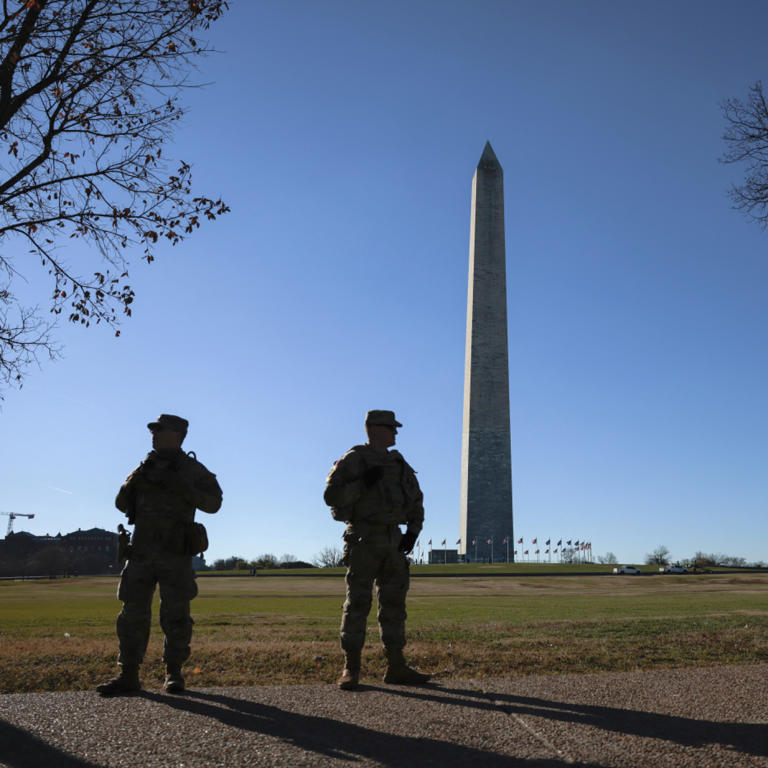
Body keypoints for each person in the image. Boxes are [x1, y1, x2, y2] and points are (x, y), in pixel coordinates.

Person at [97, 414, 222, 696]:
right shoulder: (144, 467)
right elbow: (120, 503)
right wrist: (133, 483)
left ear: (178, 435)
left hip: (175, 553)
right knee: (131, 614)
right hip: (140, 553)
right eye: (153, 431)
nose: (153, 435)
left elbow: (215, 503)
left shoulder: (191, 469)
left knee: (176, 614)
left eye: (159, 430)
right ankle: (128, 674)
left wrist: (185, 488)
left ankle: (173, 674)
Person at [324, 409, 430, 690]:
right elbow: (331, 497)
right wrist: (362, 483)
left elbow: (416, 499)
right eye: (390, 428)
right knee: (357, 604)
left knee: (394, 606)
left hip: (394, 542)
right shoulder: (354, 459)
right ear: (373, 428)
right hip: (363, 539)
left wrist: (413, 533)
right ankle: (351, 668)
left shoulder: (399, 463)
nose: (395, 433)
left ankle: (396, 666)